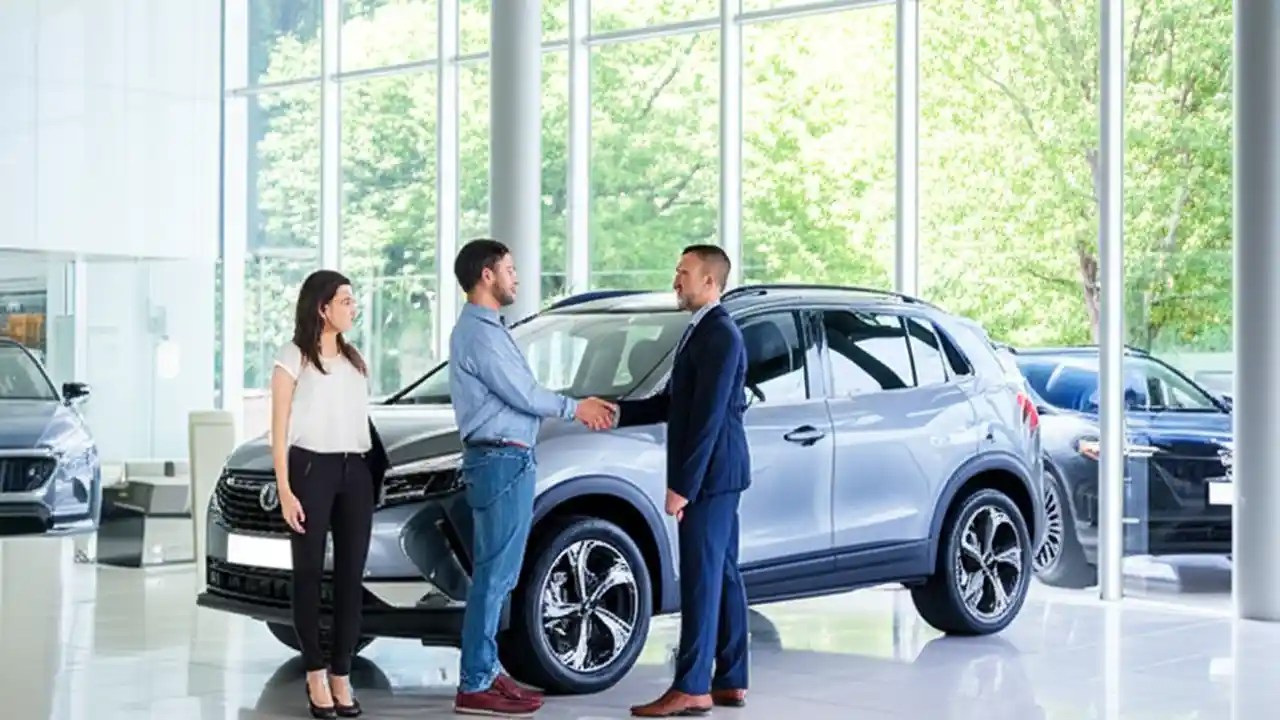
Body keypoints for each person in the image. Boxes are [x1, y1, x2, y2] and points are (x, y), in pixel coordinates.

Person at [448, 238, 618, 717]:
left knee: (501, 575)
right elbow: (522, 392)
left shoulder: (489, 330)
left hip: (508, 459)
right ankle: (474, 683)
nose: (516, 277)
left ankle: (489, 670)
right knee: (493, 576)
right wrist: (575, 407)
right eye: (510, 268)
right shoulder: (480, 334)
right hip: (500, 460)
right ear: (487, 275)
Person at [616, 245, 752, 718]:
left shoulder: (719, 334)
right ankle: (730, 679)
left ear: (710, 282)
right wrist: (616, 411)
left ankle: (692, 686)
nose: (676, 280)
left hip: (711, 478)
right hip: (720, 475)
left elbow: (708, 418)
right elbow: (676, 404)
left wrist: (684, 486)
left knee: (700, 578)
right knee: (724, 574)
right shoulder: (703, 331)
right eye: (677, 271)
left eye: (684, 273)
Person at [270, 270, 377, 719]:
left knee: (351, 578)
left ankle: (341, 673)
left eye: (353, 300)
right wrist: (285, 490)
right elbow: (278, 431)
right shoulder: (292, 357)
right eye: (346, 301)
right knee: (309, 574)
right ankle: (314, 672)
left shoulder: (354, 359)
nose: (353, 308)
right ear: (322, 307)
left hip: (356, 471)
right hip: (310, 468)